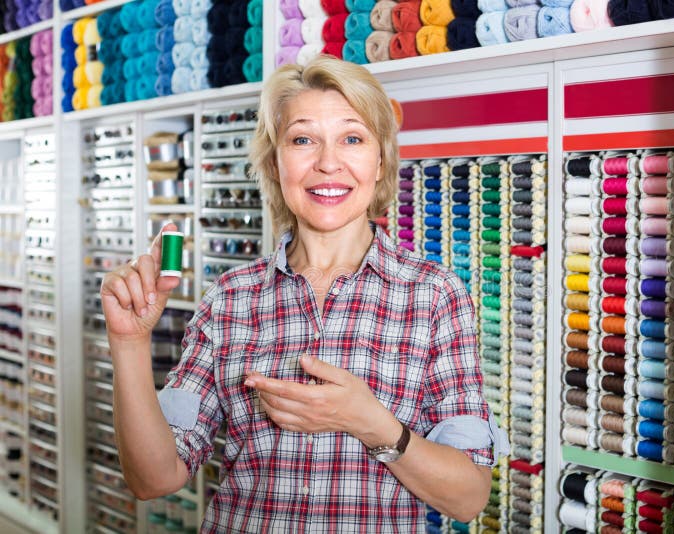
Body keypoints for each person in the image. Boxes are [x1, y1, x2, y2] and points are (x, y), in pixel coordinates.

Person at [101, 54, 508, 531]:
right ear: (276, 163)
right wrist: (129, 344)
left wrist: (369, 421)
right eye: (303, 140)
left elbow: (468, 497)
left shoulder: (435, 296)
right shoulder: (230, 299)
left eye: (352, 138)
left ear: (380, 161)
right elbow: (154, 478)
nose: (328, 163)